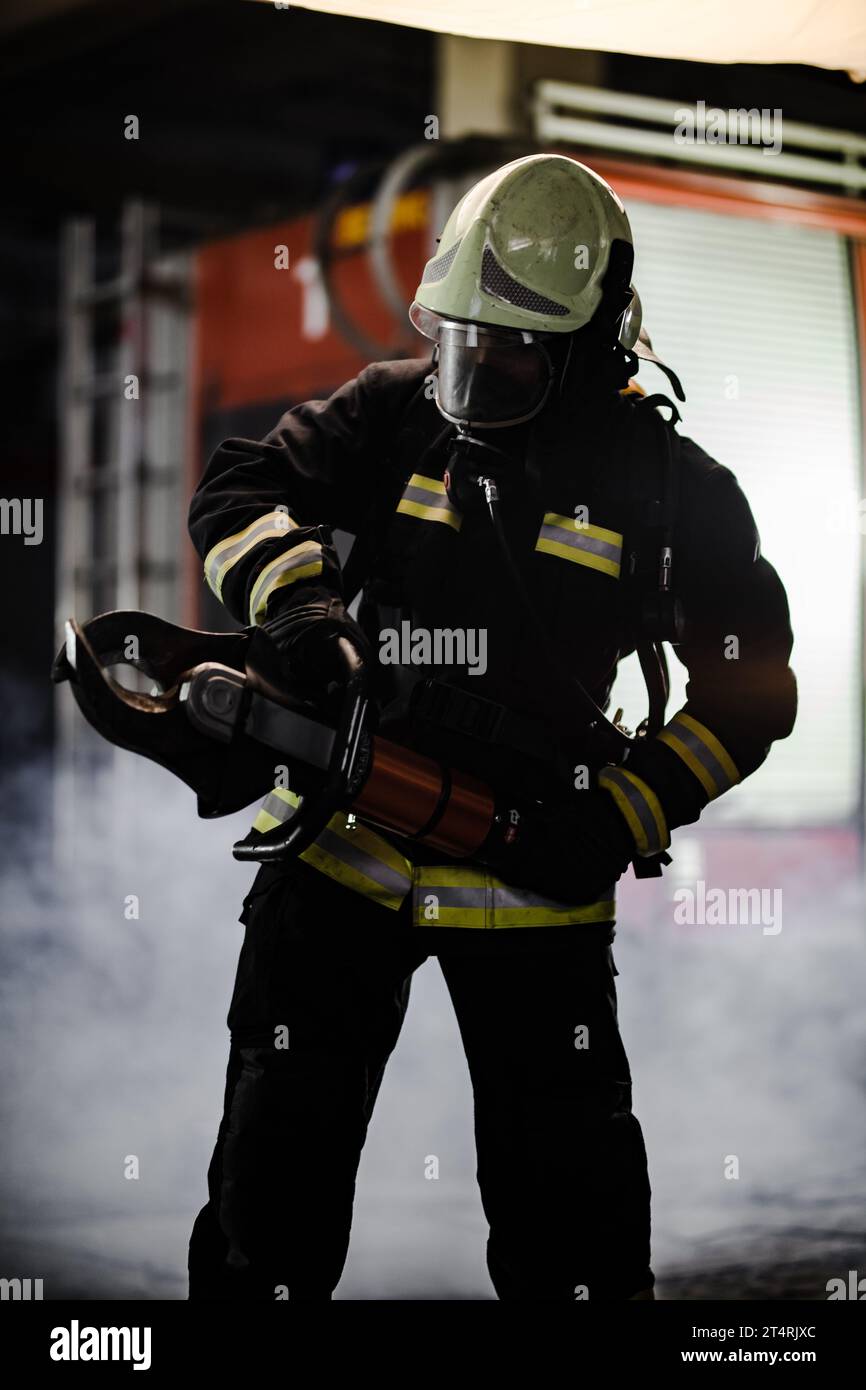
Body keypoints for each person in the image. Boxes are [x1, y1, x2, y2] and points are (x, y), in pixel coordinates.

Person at [186, 154, 797, 1301]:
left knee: (572, 1230)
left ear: (591, 341)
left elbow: (752, 687)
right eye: (457, 340)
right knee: (267, 1201)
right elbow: (235, 491)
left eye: (508, 347)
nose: (470, 371)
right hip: (341, 849)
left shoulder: (668, 489)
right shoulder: (390, 411)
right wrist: (298, 599)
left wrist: (621, 811)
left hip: (533, 875)